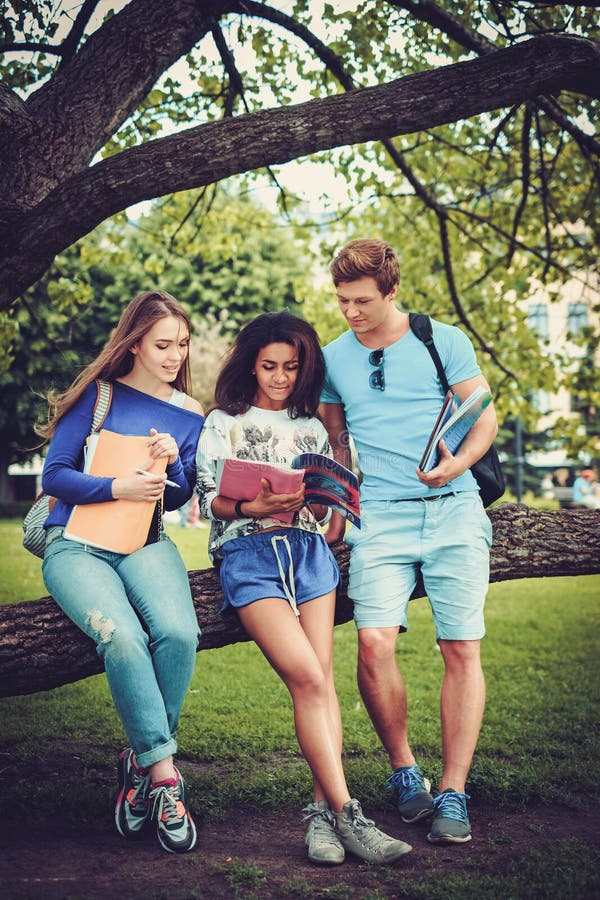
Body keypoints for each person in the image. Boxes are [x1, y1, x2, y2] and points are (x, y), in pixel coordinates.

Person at [195, 310, 412, 866]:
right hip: (248, 556)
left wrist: (321, 499)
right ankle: (350, 814)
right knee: (309, 676)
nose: (280, 377)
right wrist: (255, 506)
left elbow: (322, 504)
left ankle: (322, 817)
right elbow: (209, 502)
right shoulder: (223, 421)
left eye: (291, 367)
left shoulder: (312, 427)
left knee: (321, 686)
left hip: (310, 554)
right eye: (269, 366)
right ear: (250, 365)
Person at [318, 238, 498, 845]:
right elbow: (335, 439)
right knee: (372, 644)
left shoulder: (441, 339)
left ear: (391, 290)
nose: (350, 312)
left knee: (461, 648)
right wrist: (337, 511)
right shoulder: (332, 356)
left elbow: (484, 411)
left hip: (453, 508)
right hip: (382, 516)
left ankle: (454, 789)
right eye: (342, 300)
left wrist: (458, 463)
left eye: (362, 301)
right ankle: (404, 772)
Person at [37, 290, 204, 854]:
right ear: (134, 343)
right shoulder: (99, 395)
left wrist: (173, 461)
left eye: (182, 345)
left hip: (146, 542)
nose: (174, 355)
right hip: (77, 545)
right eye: (162, 344)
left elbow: (178, 496)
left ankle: (139, 759)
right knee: (123, 637)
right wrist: (117, 487)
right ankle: (164, 780)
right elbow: (55, 475)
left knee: (181, 634)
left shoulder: (188, 414)